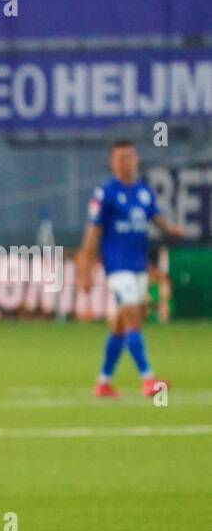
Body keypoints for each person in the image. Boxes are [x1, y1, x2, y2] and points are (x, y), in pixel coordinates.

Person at [76, 140, 184, 398]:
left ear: (136, 159)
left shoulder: (143, 192)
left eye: (130, 156)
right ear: (113, 163)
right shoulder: (106, 194)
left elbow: (155, 219)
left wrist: (171, 230)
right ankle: (148, 380)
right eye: (121, 158)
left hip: (138, 266)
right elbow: (92, 233)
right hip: (117, 266)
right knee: (133, 315)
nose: (127, 162)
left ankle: (103, 382)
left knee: (120, 326)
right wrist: (85, 269)